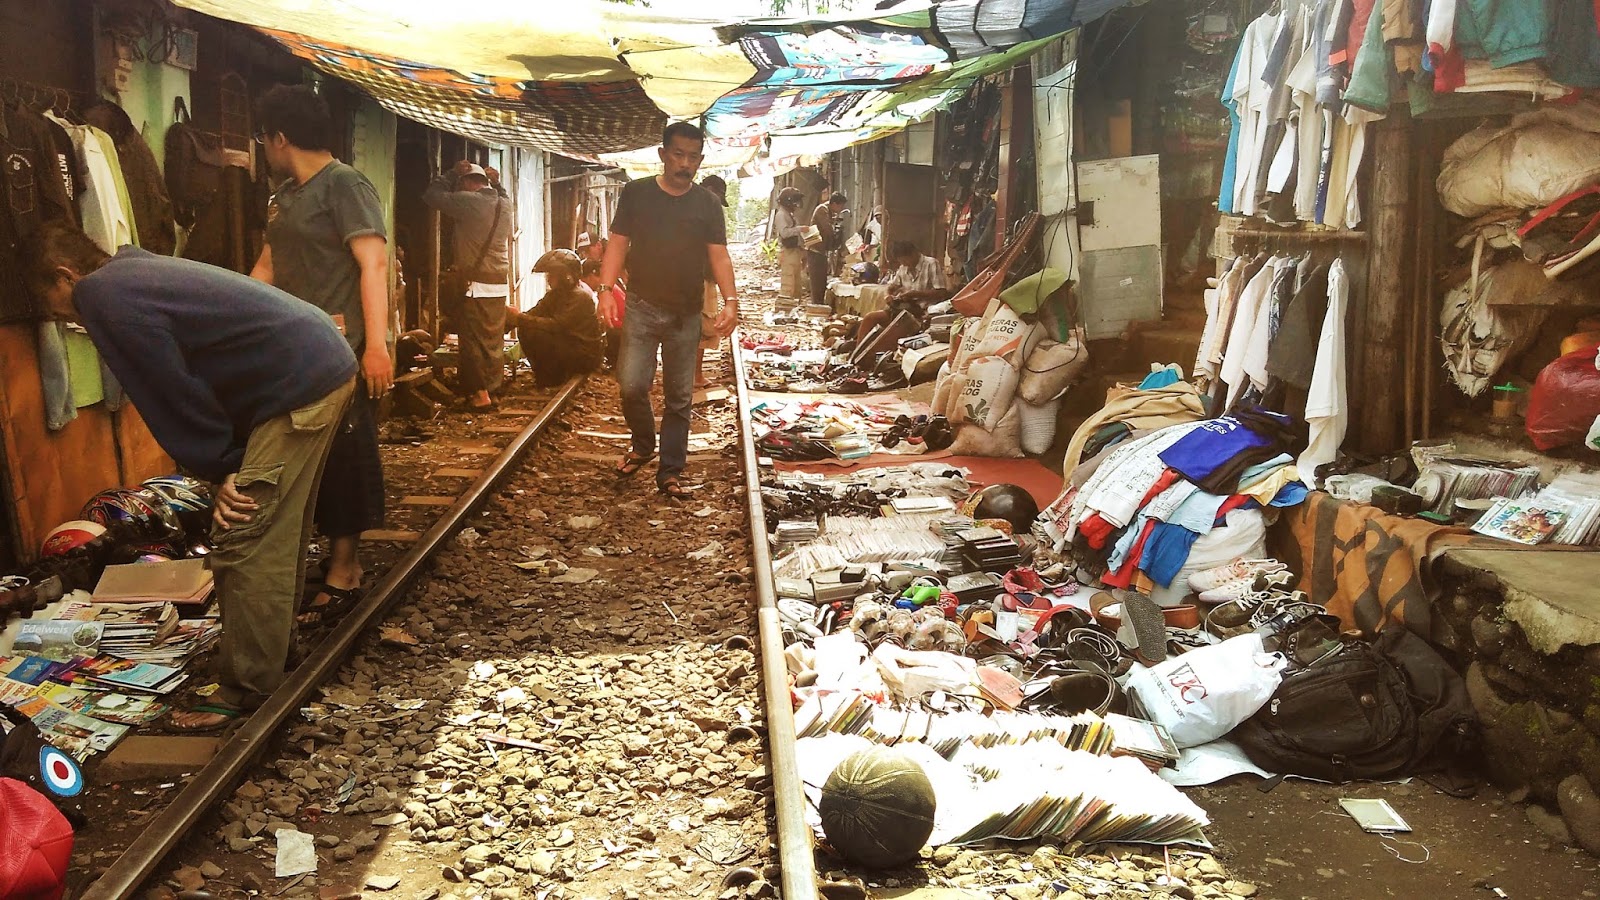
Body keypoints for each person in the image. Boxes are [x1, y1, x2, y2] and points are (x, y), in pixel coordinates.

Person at [27, 222, 357, 731]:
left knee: (245, 536)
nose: (66, 319)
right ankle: (273, 655)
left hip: (298, 381)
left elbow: (168, 388)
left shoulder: (100, 294)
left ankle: (245, 689)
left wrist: (221, 463)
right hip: (317, 364)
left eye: (56, 308)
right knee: (278, 527)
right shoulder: (131, 271)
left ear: (65, 276)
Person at [249, 84, 390, 626]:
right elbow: (267, 266)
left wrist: (376, 346)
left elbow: (373, 265)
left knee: (344, 454)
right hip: (291, 347)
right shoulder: (285, 197)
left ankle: (345, 568)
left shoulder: (345, 184)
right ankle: (314, 558)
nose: (264, 148)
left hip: (341, 348)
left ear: (280, 138)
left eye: (264, 137)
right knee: (300, 453)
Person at [599, 121, 738, 499]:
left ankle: (670, 471)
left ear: (700, 160)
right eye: (678, 154)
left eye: (693, 157)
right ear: (663, 155)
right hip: (641, 306)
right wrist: (605, 290)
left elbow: (719, 255)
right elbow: (617, 243)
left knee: (679, 397)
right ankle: (644, 444)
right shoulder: (637, 193)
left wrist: (731, 301)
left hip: (685, 313)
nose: (685, 163)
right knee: (631, 385)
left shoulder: (707, 204)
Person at [423, 159, 512, 412]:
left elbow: (432, 196)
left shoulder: (470, 201)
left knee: (471, 341)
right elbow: (502, 193)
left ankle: (480, 395)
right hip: (499, 284)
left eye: (461, 184)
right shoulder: (505, 204)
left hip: (476, 285)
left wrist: (451, 173)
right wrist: (497, 183)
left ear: (468, 183)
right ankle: (492, 390)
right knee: (492, 341)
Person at [509, 249, 604, 387]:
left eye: (553, 274)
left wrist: (519, 317)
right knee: (527, 329)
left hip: (583, 352)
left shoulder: (580, 297)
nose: (549, 279)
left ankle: (554, 378)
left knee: (536, 332)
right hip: (567, 346)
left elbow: (557, 325)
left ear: (566, 275)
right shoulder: (553, 296)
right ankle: (548, 377)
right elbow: (533, 313)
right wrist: (509, 321)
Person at [851, 240, 950, 341]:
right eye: (902, 261)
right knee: (870, 318)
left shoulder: (931, 264)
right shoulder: (903, 268)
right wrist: (889, 296)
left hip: (924, 313)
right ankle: (859, 348)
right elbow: (891, 287)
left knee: (891, 333)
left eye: (906, 260)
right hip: (904, 311)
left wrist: (916, 294)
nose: (905, 264)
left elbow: (941, 292)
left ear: (914, 253)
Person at [696, 175, 733, 387]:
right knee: (703, 326)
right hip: (701, 276)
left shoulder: (689, 204)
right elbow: (718, 252)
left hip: (692, 274)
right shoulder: (707, 211)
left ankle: (690, 375)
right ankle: (695, 376)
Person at [580, 257, 625, 370]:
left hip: (621, 332)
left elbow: (612, 321)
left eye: (583, 279)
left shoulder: (605, 292)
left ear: (591, 276)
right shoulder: (608, 288)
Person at [809, 191, 847, 307]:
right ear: (834, 204)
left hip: (821, 251)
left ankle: (819, 304)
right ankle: (817, 305)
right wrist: (836, 239)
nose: (841, 209)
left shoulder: (828, 211)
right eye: (840, 206)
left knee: (821, 280)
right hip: (815, 250)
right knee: (817, 281)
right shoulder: (822, 210)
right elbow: (827, 229)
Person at [773, 187, 805, 299]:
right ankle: (785, 307)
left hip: (795, 251)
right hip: (787, 252)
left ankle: (795, 307)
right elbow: (784, 233)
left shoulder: (789, 214)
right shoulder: (781, 215)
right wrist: (800, 229)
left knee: (796, 286)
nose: (796, 205)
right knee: (788, 285)